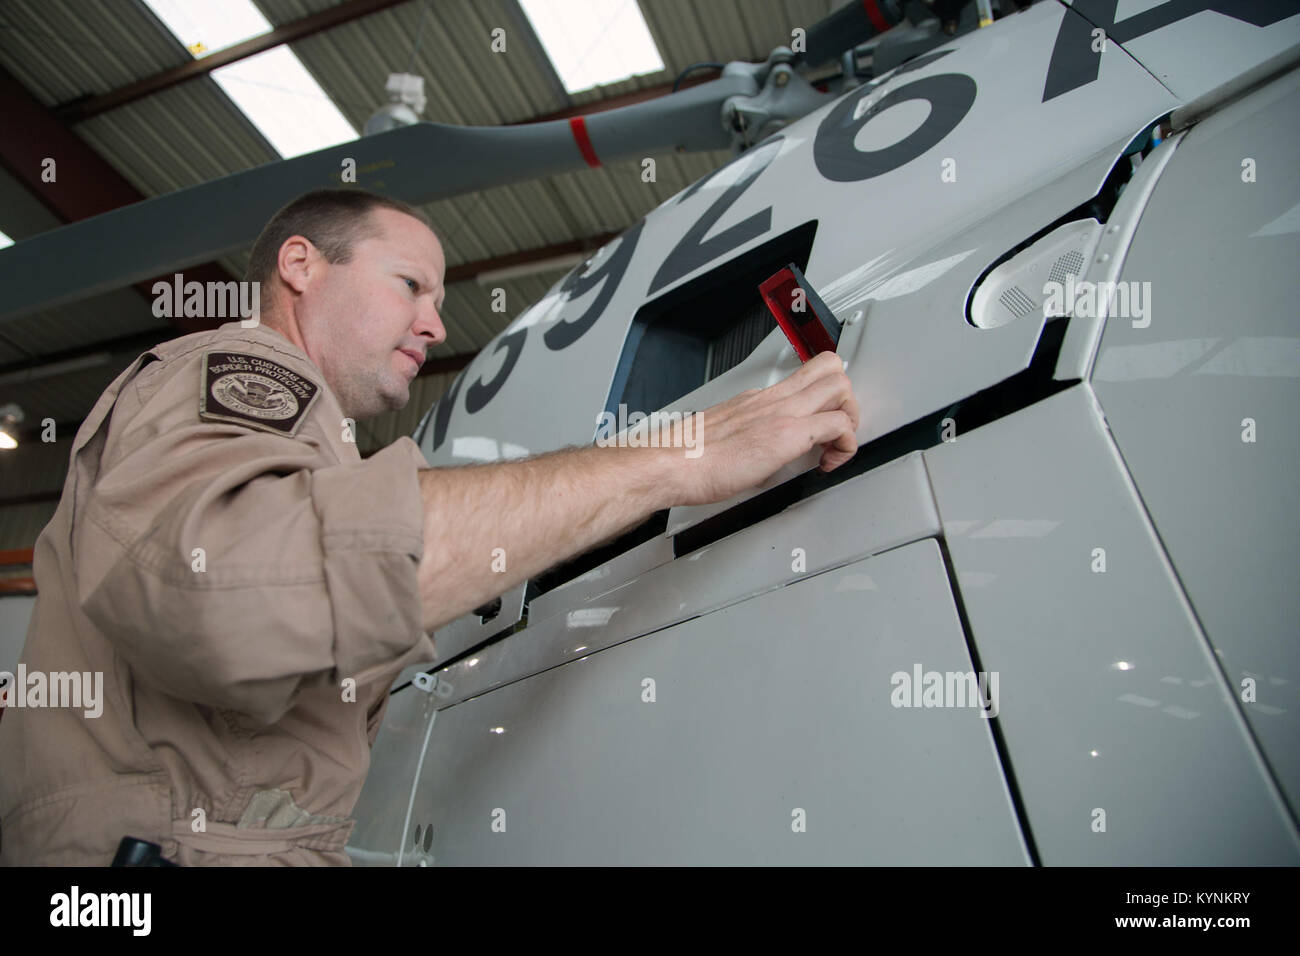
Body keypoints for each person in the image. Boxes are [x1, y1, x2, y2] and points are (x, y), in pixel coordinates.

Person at [0, 188, 859, 866]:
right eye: (410, 284)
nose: (437, 324)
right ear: (300, 266)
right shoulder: (234, 368)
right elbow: (236, 586)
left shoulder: (312, 446)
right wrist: (682, 457)